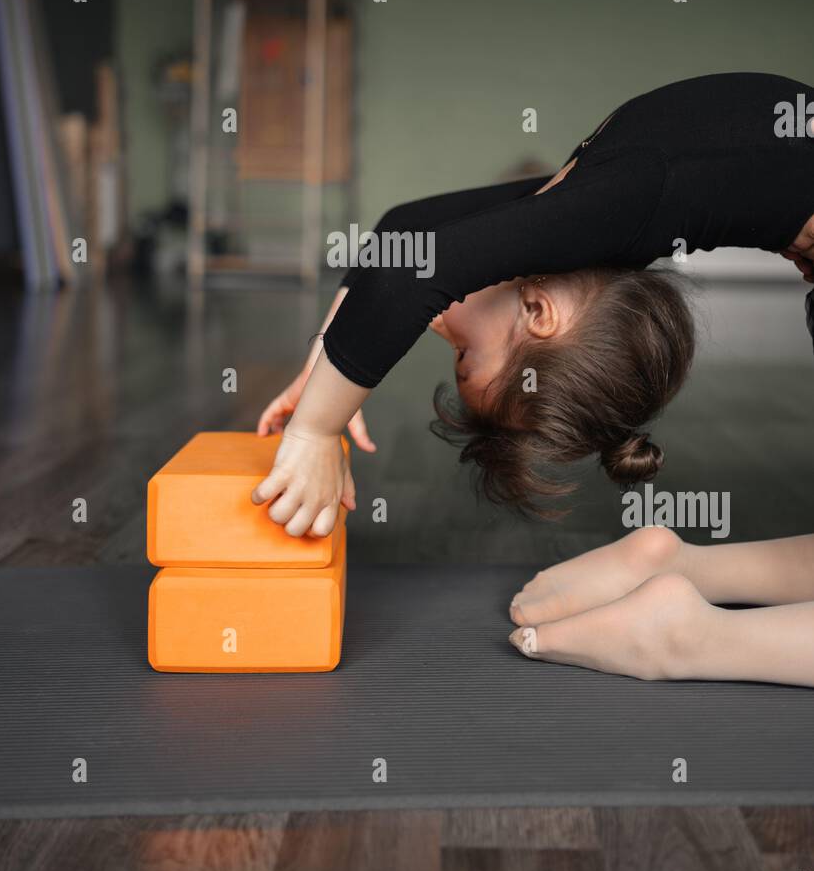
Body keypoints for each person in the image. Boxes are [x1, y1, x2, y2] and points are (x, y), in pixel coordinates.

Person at [253, 72, 814, 685]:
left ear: (540, 312)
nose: (442, 334)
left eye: (462, 355)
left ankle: (687, 606)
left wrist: (314, 428)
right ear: (540, 313)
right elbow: (407, 246)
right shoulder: (603, 211)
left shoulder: (599, 208)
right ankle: (687, 615)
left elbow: (407, 256)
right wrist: (324, 374)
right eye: (465, 353)